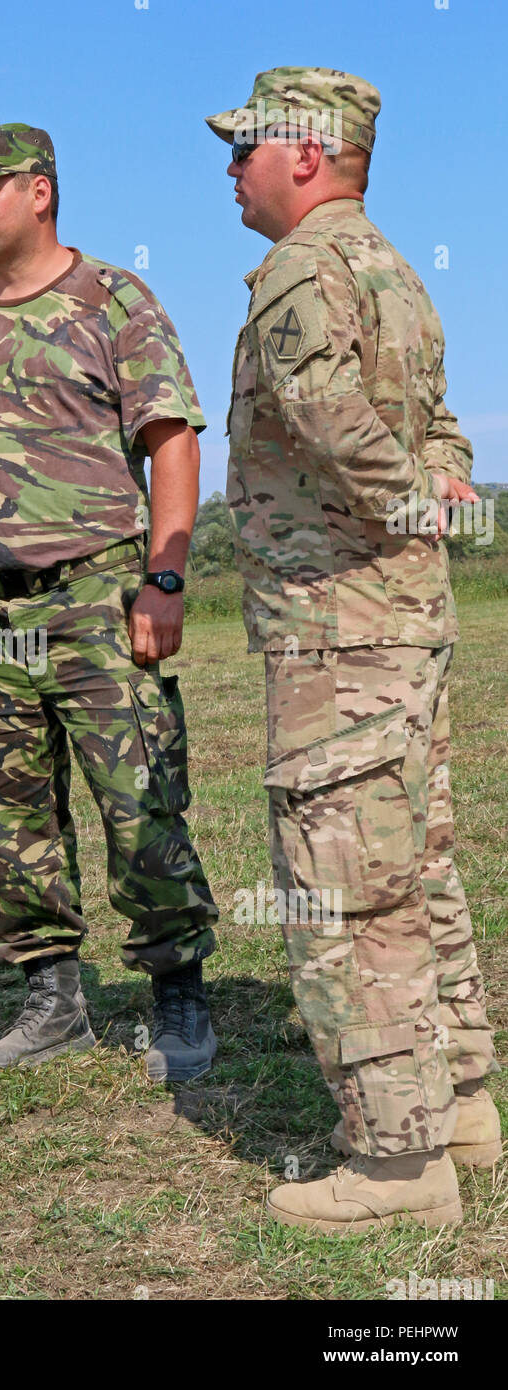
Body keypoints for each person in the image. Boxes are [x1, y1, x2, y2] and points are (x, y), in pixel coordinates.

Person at [205, 69, 501, 1231]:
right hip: (403, 621)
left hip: (339, 627)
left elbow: (333, 418)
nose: (229, 171)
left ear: (307, 156)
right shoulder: (393, 271)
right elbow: (443, 427)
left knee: (339, 890)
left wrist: (404, 505)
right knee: (416, 865)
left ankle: (395, 1163)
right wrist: (434, 493)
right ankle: (462, 1105)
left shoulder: (301, 267)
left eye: (243, 151)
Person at [0, 124, 219, 1079]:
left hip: (99, 595)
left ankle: (179, 995)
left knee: (139, 799)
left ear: (41, 191)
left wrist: (163, 578)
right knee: (5, 815)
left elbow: (171, 440)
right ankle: (52, 997)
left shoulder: (114, 301)